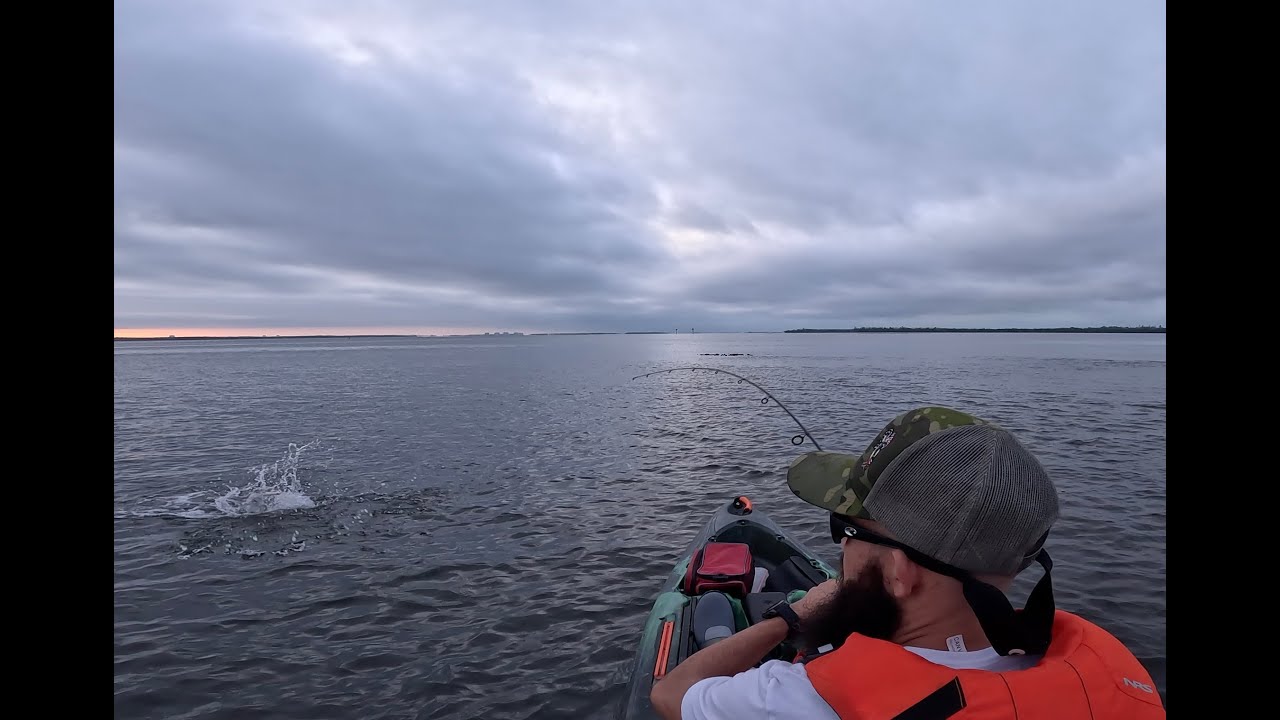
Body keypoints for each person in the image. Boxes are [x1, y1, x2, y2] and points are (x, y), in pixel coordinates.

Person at [650, 406, 1165, 719]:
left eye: (845, 530)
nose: (841, 550)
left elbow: (672, 695)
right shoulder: (1107, 671)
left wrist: (788, 618)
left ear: (899, 572)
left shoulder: (807, 700)